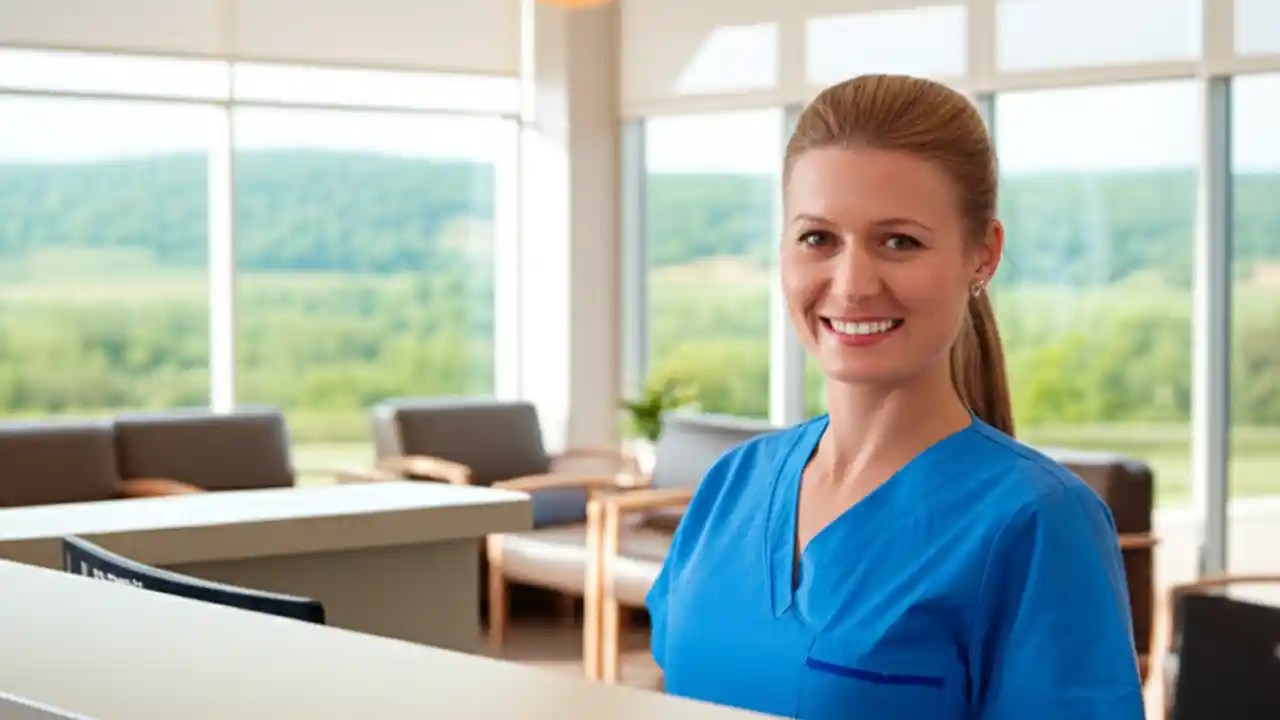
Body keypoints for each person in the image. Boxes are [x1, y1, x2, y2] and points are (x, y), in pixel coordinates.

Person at [645, 74, 1145, 719]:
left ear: (982, 256)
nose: (851, 285)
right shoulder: (732, 486)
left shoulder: (1038, 522)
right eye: (818, 238)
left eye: (899, 241)